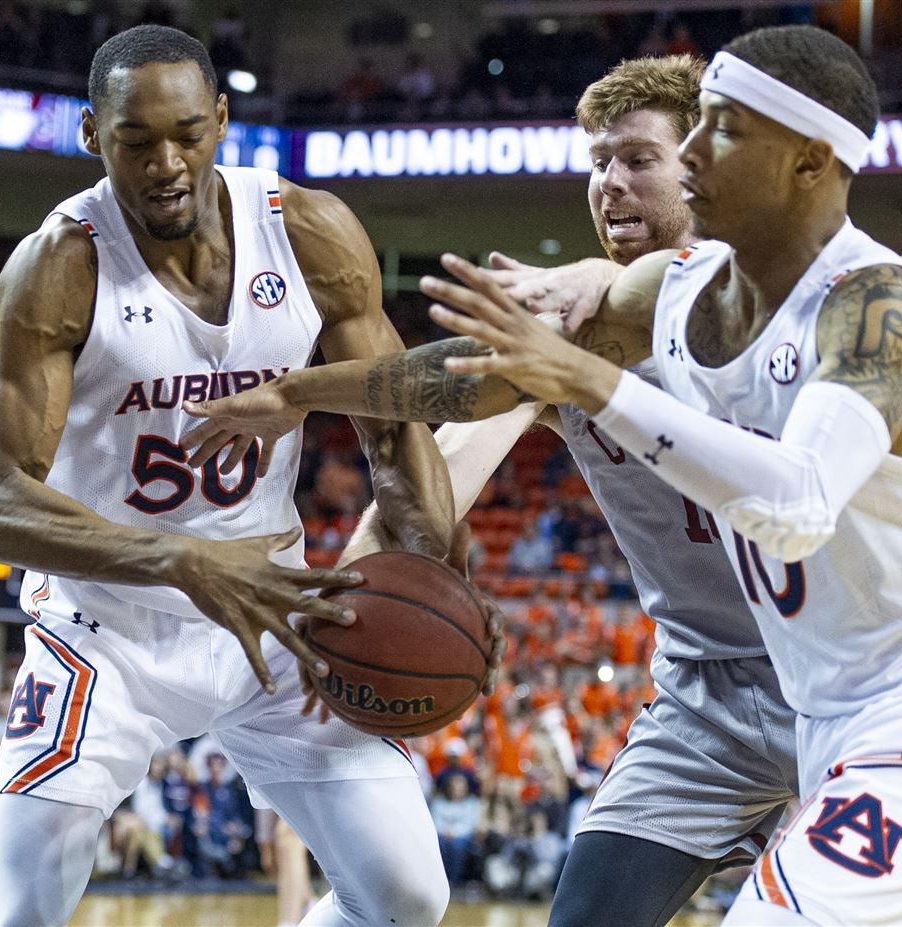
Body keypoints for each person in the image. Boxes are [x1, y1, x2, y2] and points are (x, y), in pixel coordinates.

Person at [184, 25, 902, 923]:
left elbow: (797, 502)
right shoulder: (668, 295)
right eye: (605, 161)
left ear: (807, 160)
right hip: (719, 694)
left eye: (698, 139)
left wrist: (591, 380)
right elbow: (462, 396)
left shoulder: (878, 306)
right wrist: (299, 393)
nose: (687, 156)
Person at [186, 55, 799, 926]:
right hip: (705, 695)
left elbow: (671, 285)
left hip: (841, 677)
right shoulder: (560, 334)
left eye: (639, 160)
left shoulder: (775, 290)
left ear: (701, 166)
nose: (611, 183)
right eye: (598, 163)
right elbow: (435, 474)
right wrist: (351, 603)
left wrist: (594, 278)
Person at [0, 23, 497, 927]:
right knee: (22, 908)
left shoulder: (308, 231)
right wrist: (183, 560)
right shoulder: (59, 267)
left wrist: (443, 582)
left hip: (275, 610)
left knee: (407, 894)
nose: (165, 163)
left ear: (221, 120)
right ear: (91, 133)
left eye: (187, 134)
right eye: (135, 140)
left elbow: (395, 433)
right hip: (108, 628)